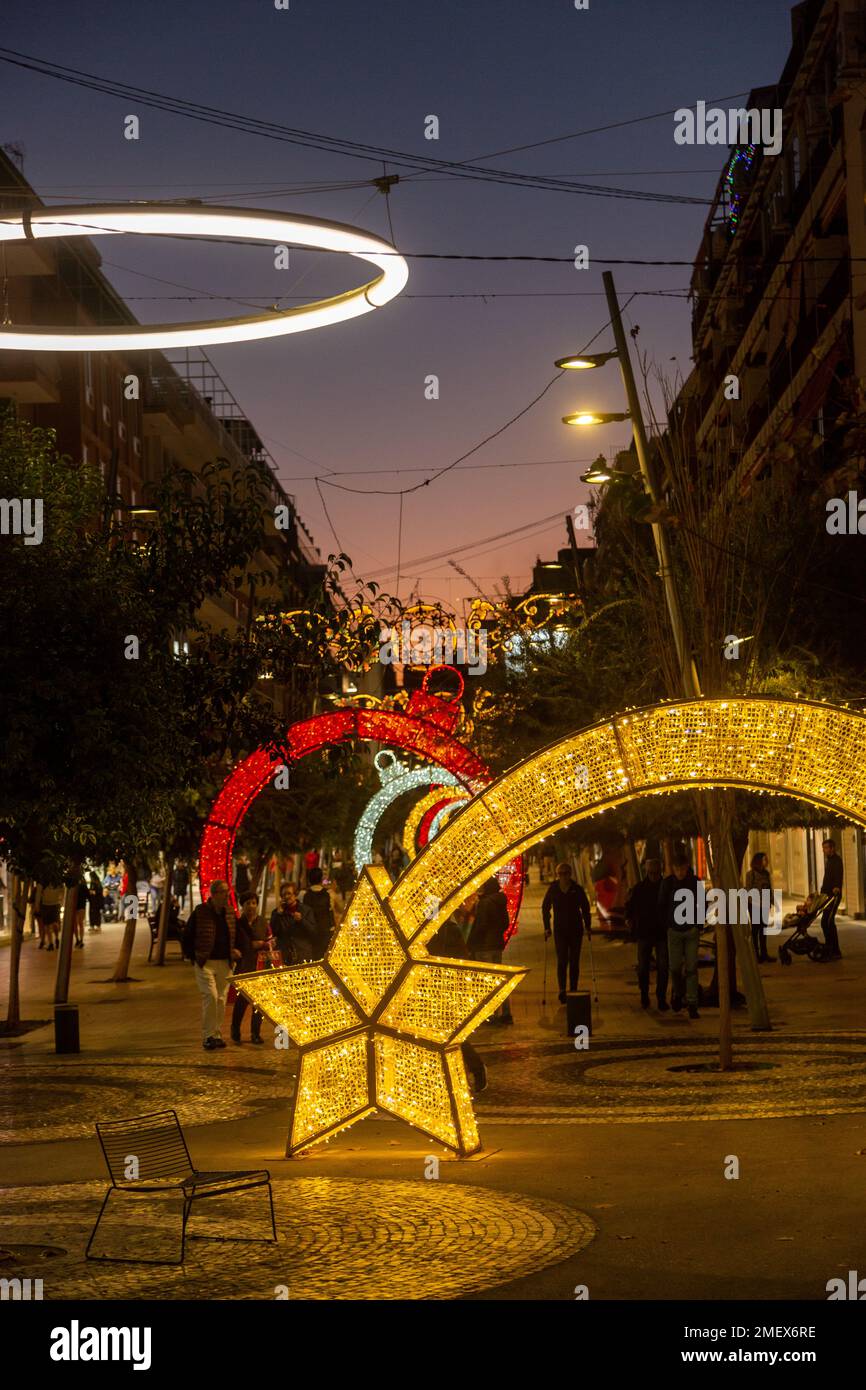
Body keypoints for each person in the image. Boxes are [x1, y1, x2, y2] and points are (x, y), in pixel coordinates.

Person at [428, 914, 487, 1092]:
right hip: (430, 987)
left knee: (452, 1035)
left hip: (448, 989)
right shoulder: (426, 932)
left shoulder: (449, 930)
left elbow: (462, 960)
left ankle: (476, 1068)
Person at [189, 880, 239, 1051]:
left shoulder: (230, 912)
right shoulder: (201, 911)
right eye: (223, 892)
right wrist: (193, 956)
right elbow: (188, 934)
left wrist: (236, 951)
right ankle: (208, 1036)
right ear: (214, 894)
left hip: (225, 962)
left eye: (227, 891)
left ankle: (216, 1034)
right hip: (206, 962)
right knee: (210, 996)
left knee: (221, 999)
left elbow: (235, 934)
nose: (227, 895)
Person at [542, 862, 592, 1004]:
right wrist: (547, 927)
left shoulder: (577, 889)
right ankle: (562, 990)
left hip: (576, 929)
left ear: (570, 874)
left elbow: (585, 908)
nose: (563, 876)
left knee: (574, 961)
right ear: (558, 875)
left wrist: (588, 926)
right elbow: (545, 907)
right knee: (562, 960)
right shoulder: (554, 888)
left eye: (566, 873)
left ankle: (574, 989)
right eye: (560, 874)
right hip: (560, 930)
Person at [659, 853, 702, 1019]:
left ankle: (692, 1002)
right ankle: (678, 993)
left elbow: (701, 903)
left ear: (687, 868)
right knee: (675, 967)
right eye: (677, 869)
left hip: (690, 929)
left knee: (691, 968)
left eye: (682, 869)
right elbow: (661, 905)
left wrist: (698, 925)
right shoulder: (668, 883)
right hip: (674, 930)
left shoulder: (694, 882)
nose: (680, 872)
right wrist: (667, 925)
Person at [468, 876, 513, 1024]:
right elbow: (505, 923)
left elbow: (481, 926)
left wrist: (471, 942)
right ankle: (505, 1013)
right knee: (498, 980)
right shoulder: (500, 901)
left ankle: (491, 1015)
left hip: (483, 947)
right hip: (496, 945)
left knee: (488, 982)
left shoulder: (484, 903)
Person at [625, 858, 668, 1010]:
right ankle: (644, 994)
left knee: (663, 966)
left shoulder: (666, 886)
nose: (653, 875)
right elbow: (630, 906)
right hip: (644, 932)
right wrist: (629, 919)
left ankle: (661, 997)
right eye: (651, 872)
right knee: (643, 966)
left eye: (655, 873)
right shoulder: (640, 888)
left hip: (662, 933)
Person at [231, 893, 268, 1044]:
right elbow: (234, 943)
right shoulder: (238, 924)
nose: (251, 906)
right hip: (244, 966)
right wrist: (247, 947)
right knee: (242, 1001)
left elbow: (269, 940)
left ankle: (255, 1033)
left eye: (254, 903)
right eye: (248, 903)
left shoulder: (263, 922)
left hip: (259, 965)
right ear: (242, 906)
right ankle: (235, 1030)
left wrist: (264, 945)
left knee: (258, 1002)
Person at [745, 851, 774, 964]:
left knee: (763, 930)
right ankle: (755, 955)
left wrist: (771, 901)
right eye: (764, 859)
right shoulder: (750, 874)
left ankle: (764, 954)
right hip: (755, 905)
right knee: (756, 930)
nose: (767, 862)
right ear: (759, 861)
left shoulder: (766, 873)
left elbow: (769, 888)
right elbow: (748, 890)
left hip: (765, 904)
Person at [818, 838, 844, 961]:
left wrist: (836, 888)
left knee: (827, 922)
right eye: (823, 848)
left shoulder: (836, 861)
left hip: (833, 897)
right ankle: (832, 948)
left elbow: (837, 877)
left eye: (826, 848)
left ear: (832, 848)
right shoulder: (829, 861)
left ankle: (834, 950)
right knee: (827, 922)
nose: (824, 850)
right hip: (827, 896)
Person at [302, 867, 334, 959]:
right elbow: (331, 911)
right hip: (325, 929)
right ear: (321, 879)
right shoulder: (328, 894)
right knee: (323, 956)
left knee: (312, 956)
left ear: (309, 880)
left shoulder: (304, 895)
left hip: (309, 930)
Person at [38, 882, 64, 951]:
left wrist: (37, 905)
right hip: (53, 904)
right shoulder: (57, 881)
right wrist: (61, 900)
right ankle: (53, 942)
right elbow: (62, 891)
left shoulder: (44, 881)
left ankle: (53, 942)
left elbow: (38, 893)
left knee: (49, 925)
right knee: (50, 925)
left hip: (48, 904)